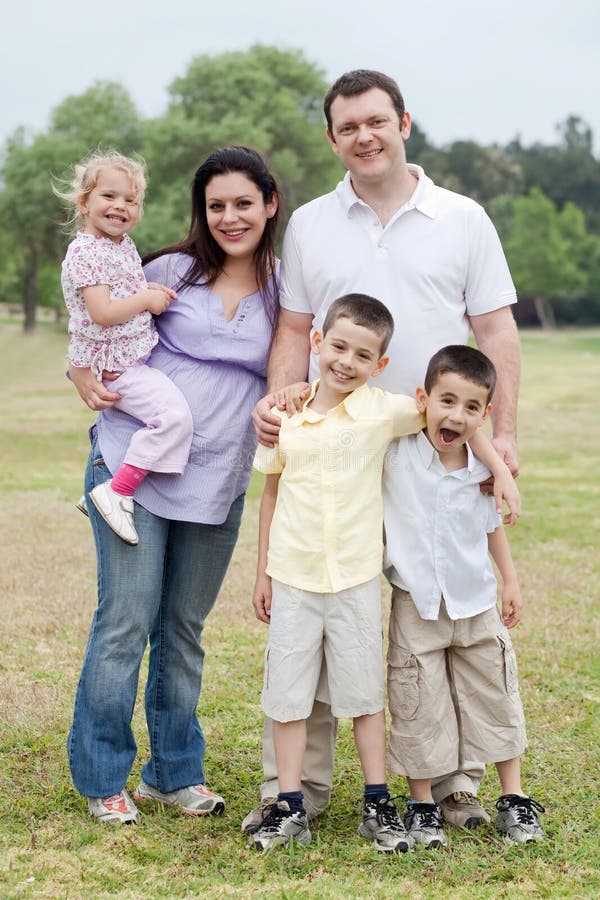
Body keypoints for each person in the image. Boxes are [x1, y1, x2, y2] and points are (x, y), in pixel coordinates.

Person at [246, 68, 521, 834]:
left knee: (434, 611)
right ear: (332, 139)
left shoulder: (463, 218)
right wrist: (278, 402)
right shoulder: (310, 225)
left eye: (376, 121)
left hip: (430, 450)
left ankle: (453, 781)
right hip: (333, 447)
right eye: (346, 127)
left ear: (404, 122)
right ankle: (296, 789)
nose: (363, 136)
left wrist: (501, 436)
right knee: (314, 596)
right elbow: (296, 329)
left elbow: (495, 332)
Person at [250, 296, 518, 852]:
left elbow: (461, 416)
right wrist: (262, 574)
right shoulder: (287, 418)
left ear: (381, 365)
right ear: (318, 342)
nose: (347, 362)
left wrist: (499, 469)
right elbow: (270, 497)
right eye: (339, 347)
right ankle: (289, 805)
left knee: (365, 696)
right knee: (288, 697)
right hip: (294, 577)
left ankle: (379, 802)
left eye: (363, 354)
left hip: (354, 580)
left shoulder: (384, 411)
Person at [67, 146, 280, 824]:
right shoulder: (166, 270)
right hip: (134, 469)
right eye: (216, 205)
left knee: (183, 631)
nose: (229, 216)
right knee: (125, 623)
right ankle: (103, 777)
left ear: (270, 205)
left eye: (243, 202)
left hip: (217, 482)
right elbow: (95, 321)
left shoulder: (286, 288)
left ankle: (174, 772)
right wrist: (77, 373)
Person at [384, 344, 544, 847]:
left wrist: (510, 581)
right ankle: (423, 804)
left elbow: (490, 527)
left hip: (476, 602)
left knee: (495, 695)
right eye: (446, 401)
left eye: (471, 407)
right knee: (416, 703)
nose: (456, 415)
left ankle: (514, 800)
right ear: (423, 400)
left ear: (485, 414)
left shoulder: (480, 471)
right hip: (417, 604)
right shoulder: (398, 454)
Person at [57, 151, 193, 545]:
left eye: (130, 201)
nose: (120, 207)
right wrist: (147, 301)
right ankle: (117, 491)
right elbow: (102, 312)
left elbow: (120, 290)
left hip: (129, 359)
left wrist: (146, 288)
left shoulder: (119, 245)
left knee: (169, 416)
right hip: (117, 366)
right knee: (173, 418)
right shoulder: (85, 253)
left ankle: (107, 488)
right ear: (84, 202)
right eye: (109, 197)